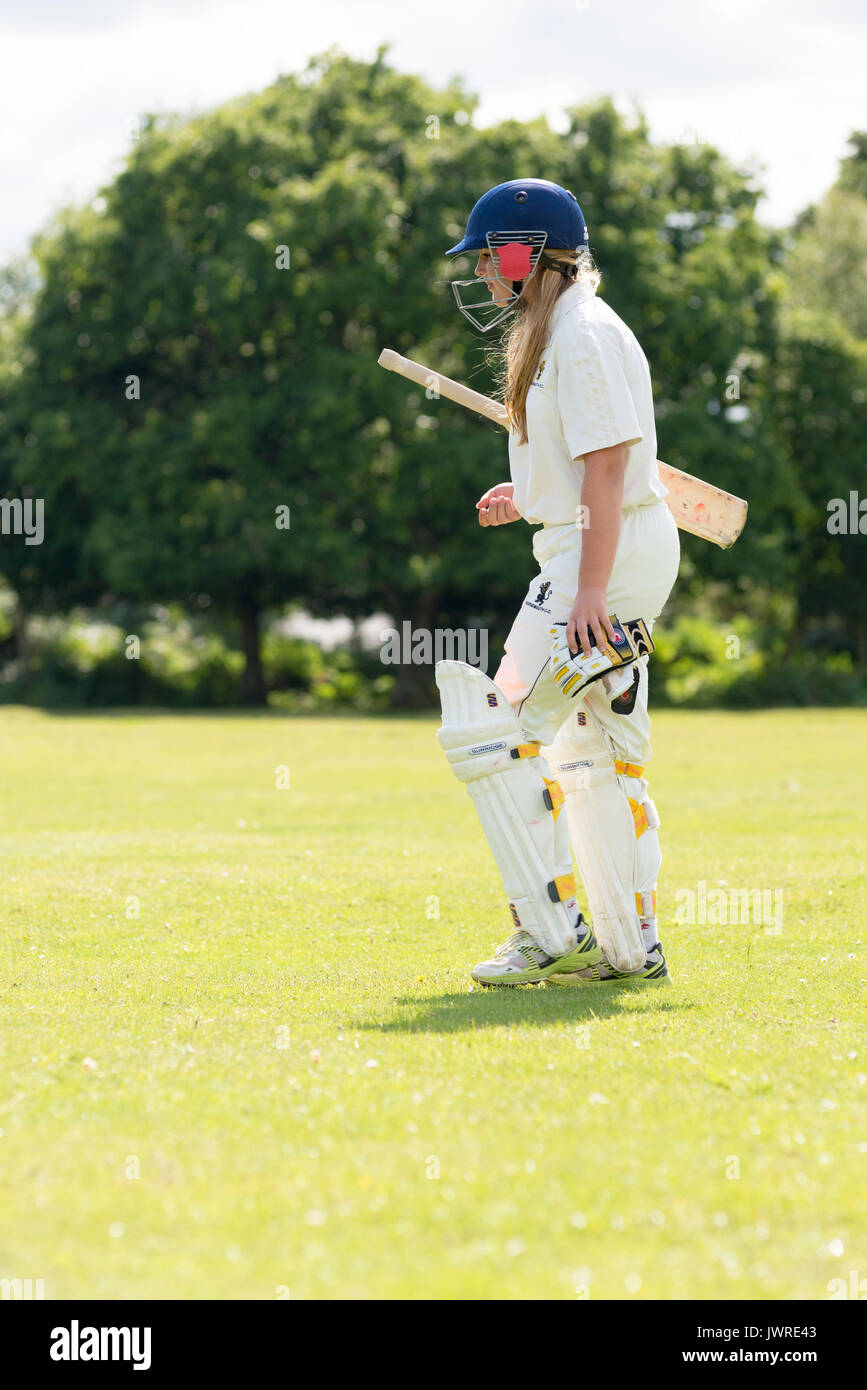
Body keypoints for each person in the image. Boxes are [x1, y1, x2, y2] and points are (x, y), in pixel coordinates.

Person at [435, 178, 680, 987]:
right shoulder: (566, 331)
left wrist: (587, 594)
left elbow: (608, 469)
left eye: (485, 259)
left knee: (491, 727)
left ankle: (549, 932)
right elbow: (584, 466)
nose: (479, 275)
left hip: (596, 560)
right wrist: (531, 496)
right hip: (604, 544)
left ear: (523, 254)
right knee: (598, 744)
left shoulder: (578, 334)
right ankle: (627, 943)